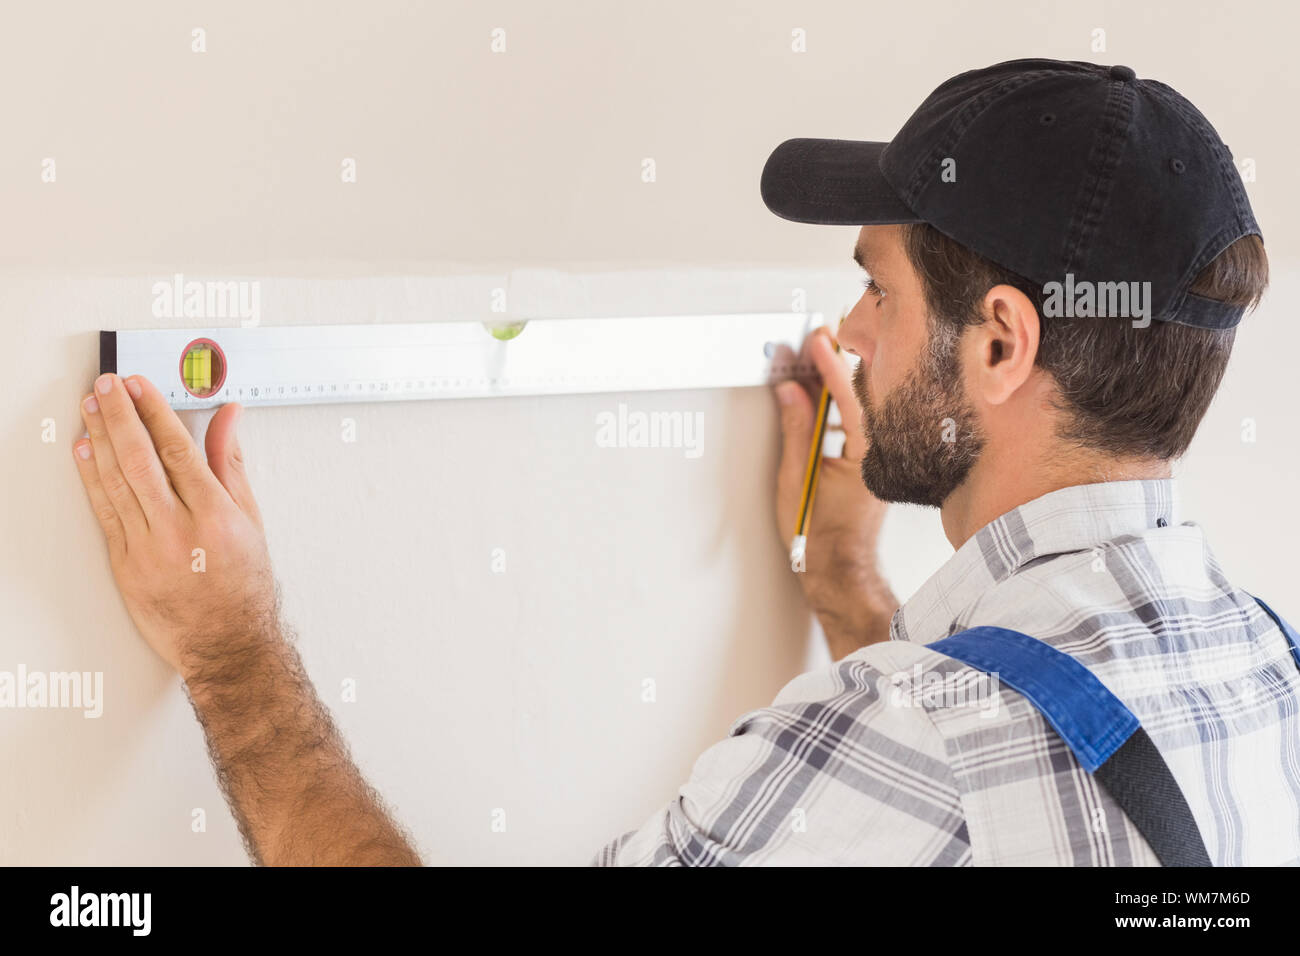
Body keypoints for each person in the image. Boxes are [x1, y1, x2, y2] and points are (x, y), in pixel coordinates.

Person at [72, 58, 1299, 866]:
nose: (852, 336)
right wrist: (845, 589)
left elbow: (937, 767)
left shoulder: (895, 733)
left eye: (876, 289)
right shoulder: (1261, 666)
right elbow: (1009, 791)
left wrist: (231, 653)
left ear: (998, 341)